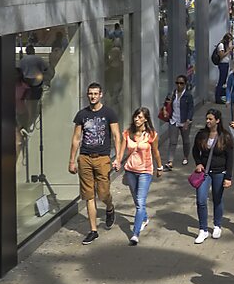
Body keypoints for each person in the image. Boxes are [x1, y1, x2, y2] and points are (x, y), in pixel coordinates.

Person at [68, 82, 122, 245]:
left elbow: (116, 136)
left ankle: (109, 207)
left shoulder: (109, 113)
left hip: (102, 158)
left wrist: (118, 158)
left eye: (95, 93)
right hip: (85, 157)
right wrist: (72, 160)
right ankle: (93, 230)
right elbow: (76, 138)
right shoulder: (82, 115)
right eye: (90, 93)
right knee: (88, 195)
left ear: (101, 95)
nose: (92, 96)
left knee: (103, 193)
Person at [191, 108, 234, 244]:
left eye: (210, 119)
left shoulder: (225, 136)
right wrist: (198, 163)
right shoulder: (202, 134)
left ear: (217, 120)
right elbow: (195, 150)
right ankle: (203, 229)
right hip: (205, 172)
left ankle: (217, 225)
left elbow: (230, 158)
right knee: (201, 200)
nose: (208, 121)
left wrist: (228, 177)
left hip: (220, 172)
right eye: (207, 119)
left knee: (217, 199)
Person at [120, 107, 161, 246]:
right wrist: (117, 161)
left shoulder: (151, 135)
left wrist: (159, 167)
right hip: (130, 170)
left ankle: (135, 234)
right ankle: (144, 218)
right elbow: (121, 150)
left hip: (145, 170)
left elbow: (155, 152)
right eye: (135, 117)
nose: (137, 120)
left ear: (146, 119)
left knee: (140, 201)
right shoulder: (128, 133)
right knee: (136, 200)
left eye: (140, 117)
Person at [163, 75, 194, 168]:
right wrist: (164, 110)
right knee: (172, 141)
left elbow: (191, 109)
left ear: (185, 84)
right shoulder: (172, 94)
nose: (179, 85)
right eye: (177, 83)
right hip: (174, 120)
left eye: (181, 83)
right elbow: (165, 103)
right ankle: (170, 161)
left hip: (184, 121)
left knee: (186, 140)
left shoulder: (188, 95)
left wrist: (188, 121)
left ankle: (185, 157)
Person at [212, 33, 232, 103]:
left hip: (226, 63)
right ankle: (218, 97)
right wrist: (229, 51)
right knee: (221, 81)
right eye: (229, 39)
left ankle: (221, 96)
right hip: (222, 64)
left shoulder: (225, 46)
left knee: (223, 81)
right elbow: (222, 55)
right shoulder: (221, 45)